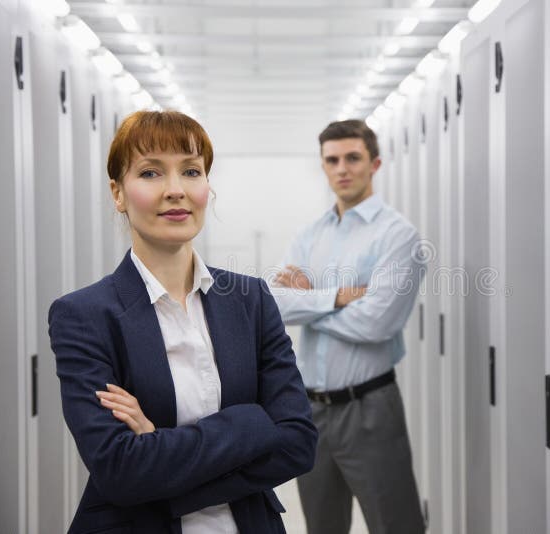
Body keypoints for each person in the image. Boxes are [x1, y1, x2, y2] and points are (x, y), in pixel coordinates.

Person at [48, 110, 316, 534]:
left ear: (207, 186)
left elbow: (298, 443)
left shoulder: (250, 300)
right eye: (151, 173)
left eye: (191, 171)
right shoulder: (84, 315)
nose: (176, 190)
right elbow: (119, 469)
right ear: (118, 193)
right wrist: (252, 422)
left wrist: (158, 445)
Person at [271, 119, 425, 534]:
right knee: (322, 527)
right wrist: (337, 295)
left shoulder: (398, 236)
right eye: (332, 160)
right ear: (323, 166)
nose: (342, 168)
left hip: (370, 409)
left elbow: (378, 321)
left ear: (374, 163)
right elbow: (278, 303)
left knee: (397, 525)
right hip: (310, 412)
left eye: (353, 158)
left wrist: (311, 297)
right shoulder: (310, 235)